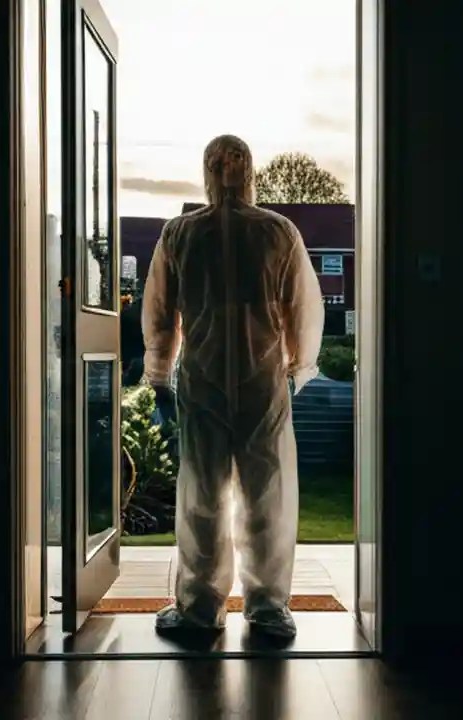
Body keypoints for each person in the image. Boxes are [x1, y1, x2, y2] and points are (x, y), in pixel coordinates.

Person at [140, 135, 324, 638]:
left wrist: (160, 372)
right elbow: (301, 311)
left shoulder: (181, 234)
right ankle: (264, 609)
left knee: (209, 493)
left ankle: (205, 608)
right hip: (259, 381)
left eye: (228, 162)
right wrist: (297, 363)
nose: (227, 170)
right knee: (260, 491)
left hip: (206, 381)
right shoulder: (275, 233)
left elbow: (160, 319)